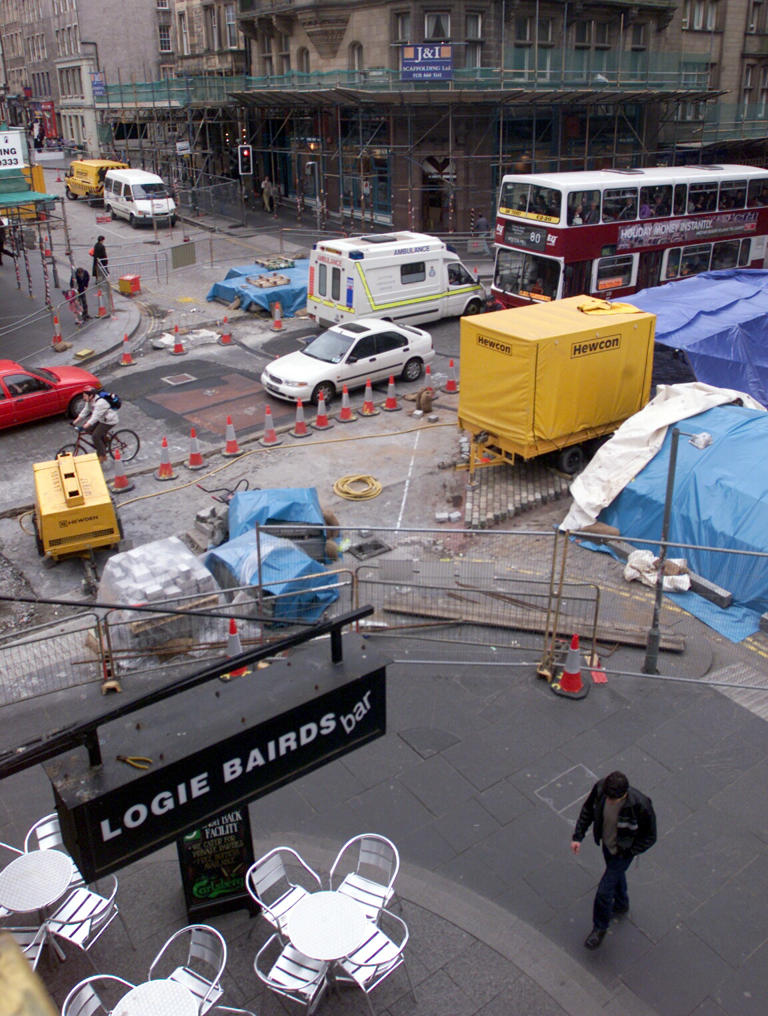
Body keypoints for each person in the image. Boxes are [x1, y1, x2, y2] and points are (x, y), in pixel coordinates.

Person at [571, 770, 657, 950]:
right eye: (608, 798)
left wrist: (630, 851)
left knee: (604, 891)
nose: (609, 801)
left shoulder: (640, 804)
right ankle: (621, 903)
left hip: (623, 852)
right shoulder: (602, 788)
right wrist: (578, 836)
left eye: (613, 800)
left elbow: (650, 836)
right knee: (615, 875)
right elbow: (588, 809)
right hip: (607, 845)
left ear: (624, 794)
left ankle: (599, 928)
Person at [73, 388, 119, 465]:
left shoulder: (100, 403)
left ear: (91, 396)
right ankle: (104, 440)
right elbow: (85, 411)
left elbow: (95, 417)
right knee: (88, 430)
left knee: (95, 436)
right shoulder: (89, 401)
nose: (83, 398)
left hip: (109, 421)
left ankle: (102, 455)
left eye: (85, 396)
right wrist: (75, 421)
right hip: (101, 419)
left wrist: (84, 426)